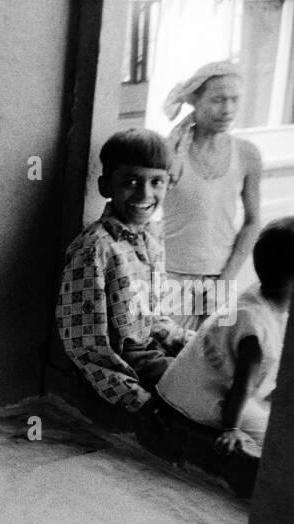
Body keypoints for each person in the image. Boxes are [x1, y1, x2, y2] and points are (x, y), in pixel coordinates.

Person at [56, 128, 193, 414]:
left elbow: (153, 315)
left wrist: (189, 343)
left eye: (157, 182)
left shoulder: (151, 238)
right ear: (106, 186)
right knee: (201, 390)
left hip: (151, 348)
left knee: (219, 362)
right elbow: (85, 343)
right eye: (130, 181)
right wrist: (136, 400)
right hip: (126, 362)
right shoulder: (95, 248)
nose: (145, 193)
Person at [155, 216, 294, 456]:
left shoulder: (258, 293)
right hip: (202, 401)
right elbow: (241, 385)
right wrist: (231, 428)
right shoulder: (255, 328)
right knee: (277, 440)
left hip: (183, 385)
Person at [160, 61, 263, 330]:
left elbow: (253, 222)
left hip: (221, 278)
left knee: (211, 362)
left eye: (234, 100)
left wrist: (225, 281)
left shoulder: (247, 154)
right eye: (218, 99)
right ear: (195, 100)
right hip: (171, 277)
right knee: (167, 358)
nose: (228, 109)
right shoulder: (170, 151)